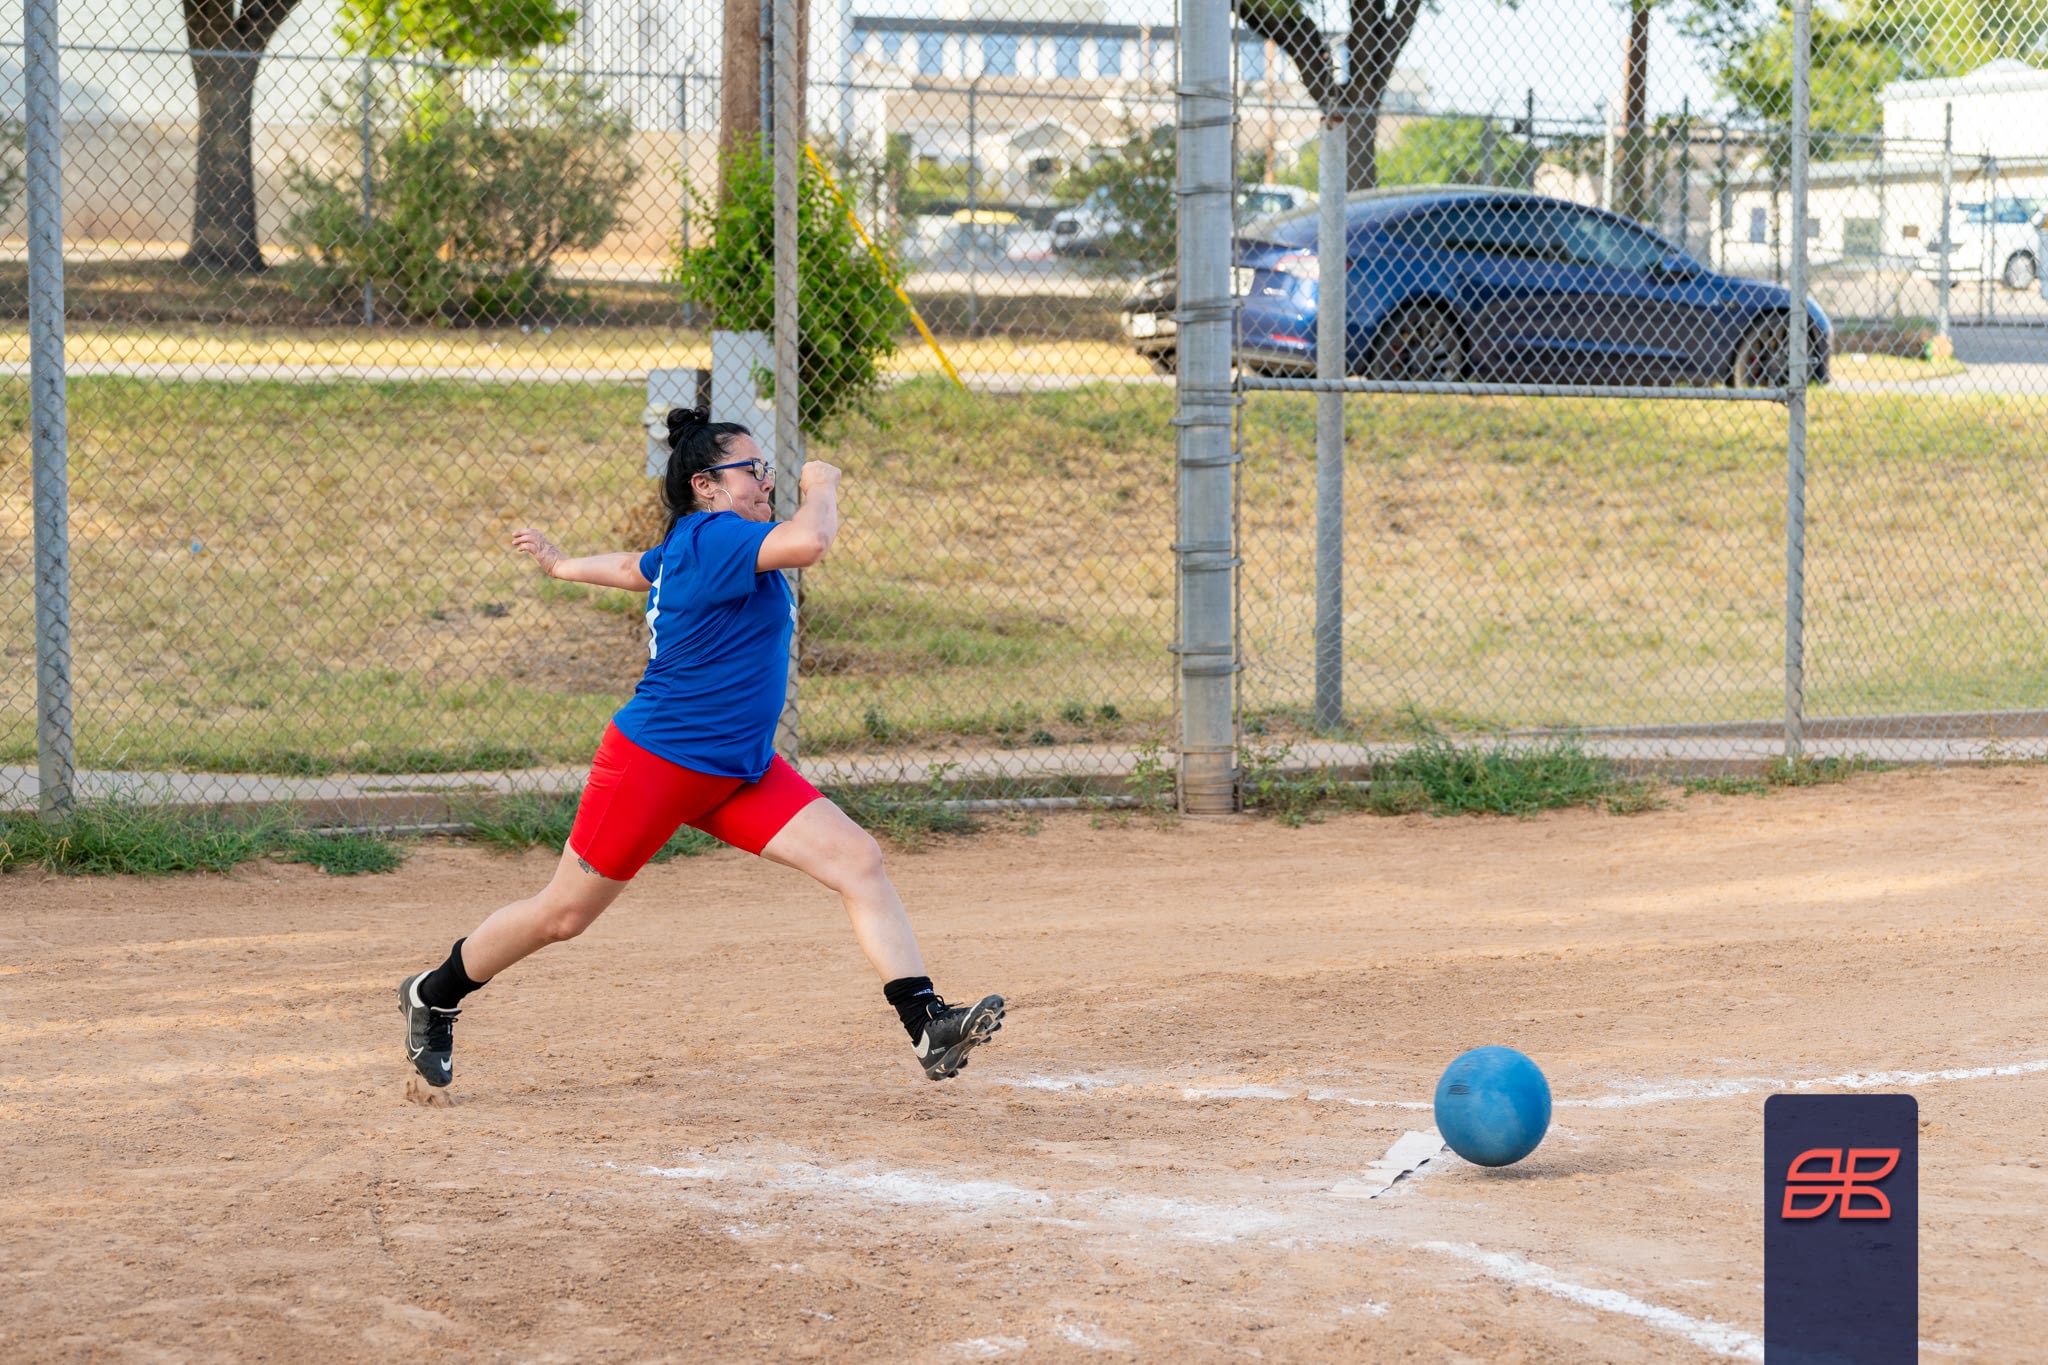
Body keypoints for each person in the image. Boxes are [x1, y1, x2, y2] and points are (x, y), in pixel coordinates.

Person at [397, 407, 1004, 1098]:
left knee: (857, 858)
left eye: (766, 471)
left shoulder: (699, 541)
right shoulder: (716, 536)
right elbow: (812, 541)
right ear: (705, 486)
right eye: (751, 471)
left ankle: (928, 1024)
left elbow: (635, 567)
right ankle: (433, 992)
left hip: (738, 769)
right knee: (562, 914)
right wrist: (822, 483)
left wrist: (563, 564)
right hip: (656, 763)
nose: (764, 482)